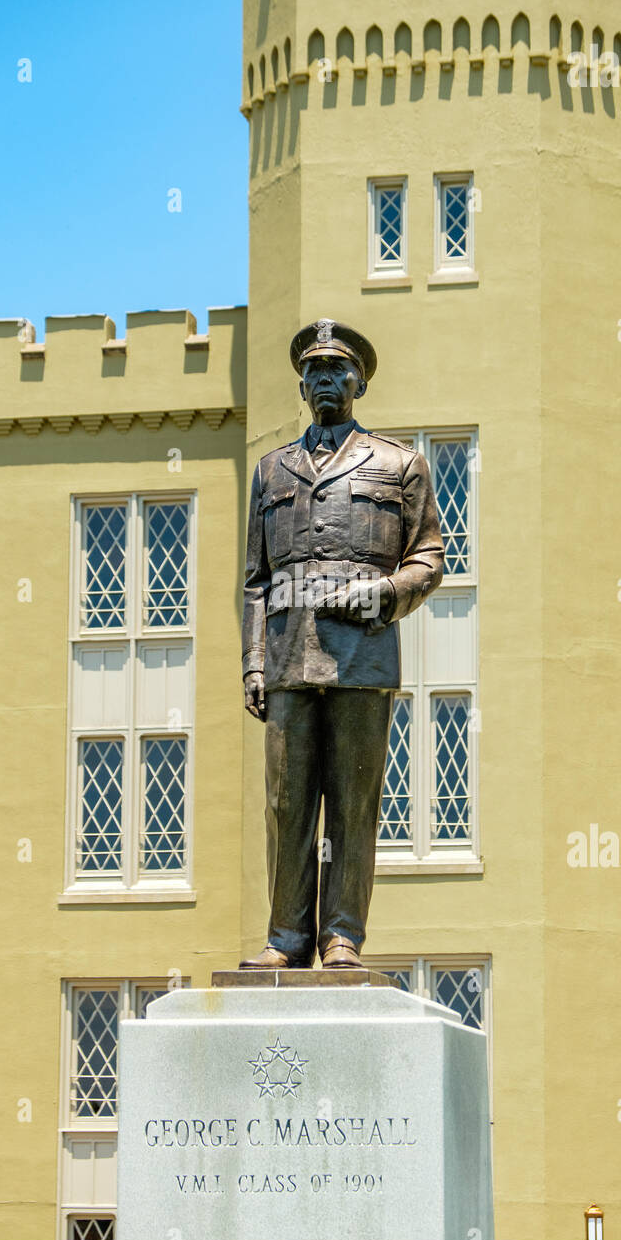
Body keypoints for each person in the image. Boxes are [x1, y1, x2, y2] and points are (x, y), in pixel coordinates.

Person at [240, 319, 444, 969]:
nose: (326, 380)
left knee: (354, 805)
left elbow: (430, 557)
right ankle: (286, 938)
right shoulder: (271, 471)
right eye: (316, 372)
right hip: (288, 660)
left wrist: (385, 594)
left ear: (358, 381)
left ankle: (342, 937)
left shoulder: (400, 464)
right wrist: (254, 661)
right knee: (287, 804)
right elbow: (255, 580)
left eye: (339, 371)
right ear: (302, 385)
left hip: (363, 657)